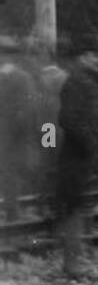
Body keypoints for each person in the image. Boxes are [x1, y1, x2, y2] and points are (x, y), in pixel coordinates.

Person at [54, 32, 98, 279]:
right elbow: (68, 119)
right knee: (75, 208)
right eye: (95, 55)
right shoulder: (77, 82)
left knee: (78, 206)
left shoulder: (83, 79)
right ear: (82, 57)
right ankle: (75, 264)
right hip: (76, 156)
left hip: (80, 154)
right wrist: (89, 145)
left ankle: (77, 260)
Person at [0, 36, 38, 223]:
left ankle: (12, 210)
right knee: (10, 172)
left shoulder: (22, 78)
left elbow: (28, 109)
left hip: (11, 135)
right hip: (10, 134)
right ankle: (11, 209)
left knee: (10, 172)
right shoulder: (23, 78)